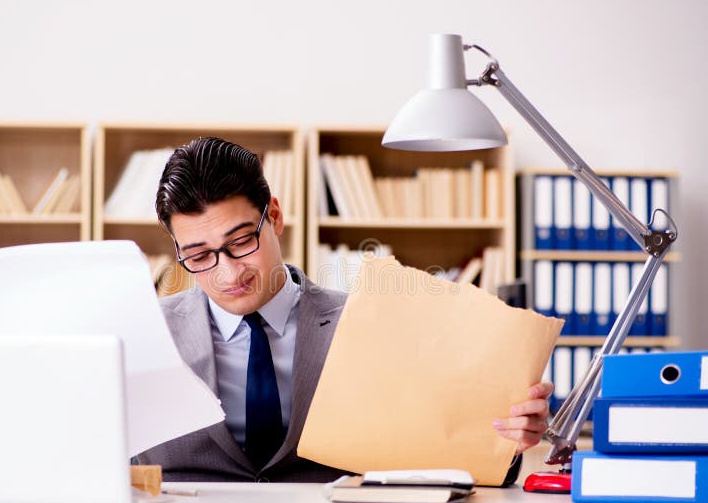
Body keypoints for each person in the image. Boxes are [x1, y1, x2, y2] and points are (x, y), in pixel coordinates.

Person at [135, 137, 554, 483]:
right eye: (200, 255)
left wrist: (507, 439)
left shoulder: (369, 322)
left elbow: (445, 451)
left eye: (242, 241)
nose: (228, 273)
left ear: (274, 217)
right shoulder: (143, 334)